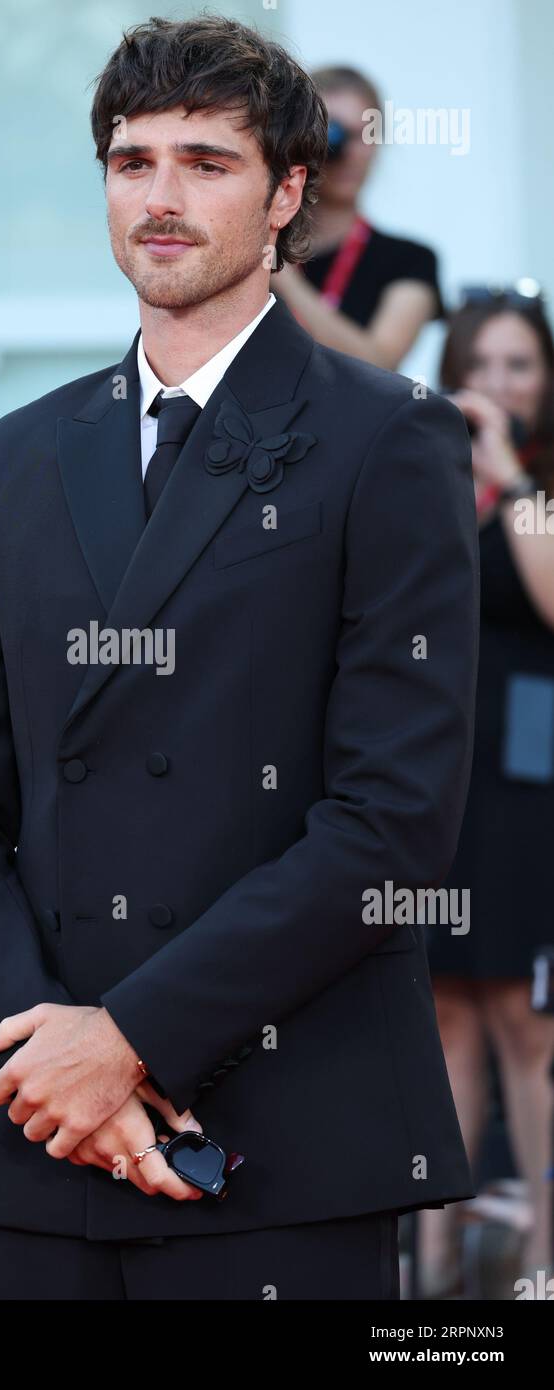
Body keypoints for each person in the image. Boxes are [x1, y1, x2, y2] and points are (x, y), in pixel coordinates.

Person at [0, 15, 479, 1301]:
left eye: (205, 163)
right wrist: (43, 1061)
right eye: (130, 159)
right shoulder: (21, 452)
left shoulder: (392, 441)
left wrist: (135, 1039)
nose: (159, 198)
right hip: (42, 1136)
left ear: (284, 195)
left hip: (279, 1136)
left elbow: (391, 818)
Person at [420, 287, 554, 1296]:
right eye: (485, 366)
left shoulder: (539, 484)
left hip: (528, 776)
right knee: (443, 1016)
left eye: (521, 365)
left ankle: (541, 1263)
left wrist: (508, 477)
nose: (502, 384)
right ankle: (433, 1274)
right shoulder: (416, 472)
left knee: (525, 1017)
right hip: (431, 772)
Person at [271, 65, 444, 369]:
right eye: (333, 134)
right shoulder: (261, 248)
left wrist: (284, 279)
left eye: (366, 134)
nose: (350, 151)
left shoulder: (410, 260)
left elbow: (379, 366)